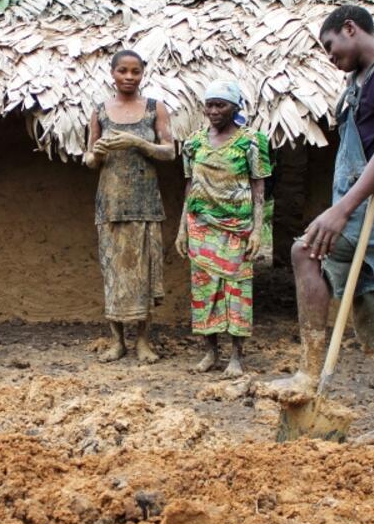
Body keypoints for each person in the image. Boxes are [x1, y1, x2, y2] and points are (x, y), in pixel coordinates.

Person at [269, 4, 374, 445]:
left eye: (330, 45)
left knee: (305, 250)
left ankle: (308, 372)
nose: (329, 55)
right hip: (371, 199)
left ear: (349, 28)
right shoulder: (356, 81)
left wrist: (342, 210)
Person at [83, 50, 175, 363]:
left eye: (135, 72)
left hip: (145, 205)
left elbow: (169, 152)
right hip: (110, 206)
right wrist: (97, 153)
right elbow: (89, 158)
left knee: (143, 277)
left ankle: (143, 342)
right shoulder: (100, 111)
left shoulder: (155, 109)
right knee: (114, 276)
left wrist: (137, 142)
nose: (129, 77)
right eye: (123, 71)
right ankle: (117, 341)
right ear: (112, 73)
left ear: (142, 75)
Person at [175, 80, 272, 378]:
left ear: (235, 107)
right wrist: (182, 229)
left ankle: (236, 356)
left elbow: (259, 188)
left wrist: (257, 230)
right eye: (210, 105)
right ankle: (210, 352)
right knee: (205, 292)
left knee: (237, 292)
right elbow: (190, 187)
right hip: (202, 228)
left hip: (237, 229)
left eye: (221, 105)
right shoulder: (193, 143)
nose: (214, 111)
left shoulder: (252, 141)